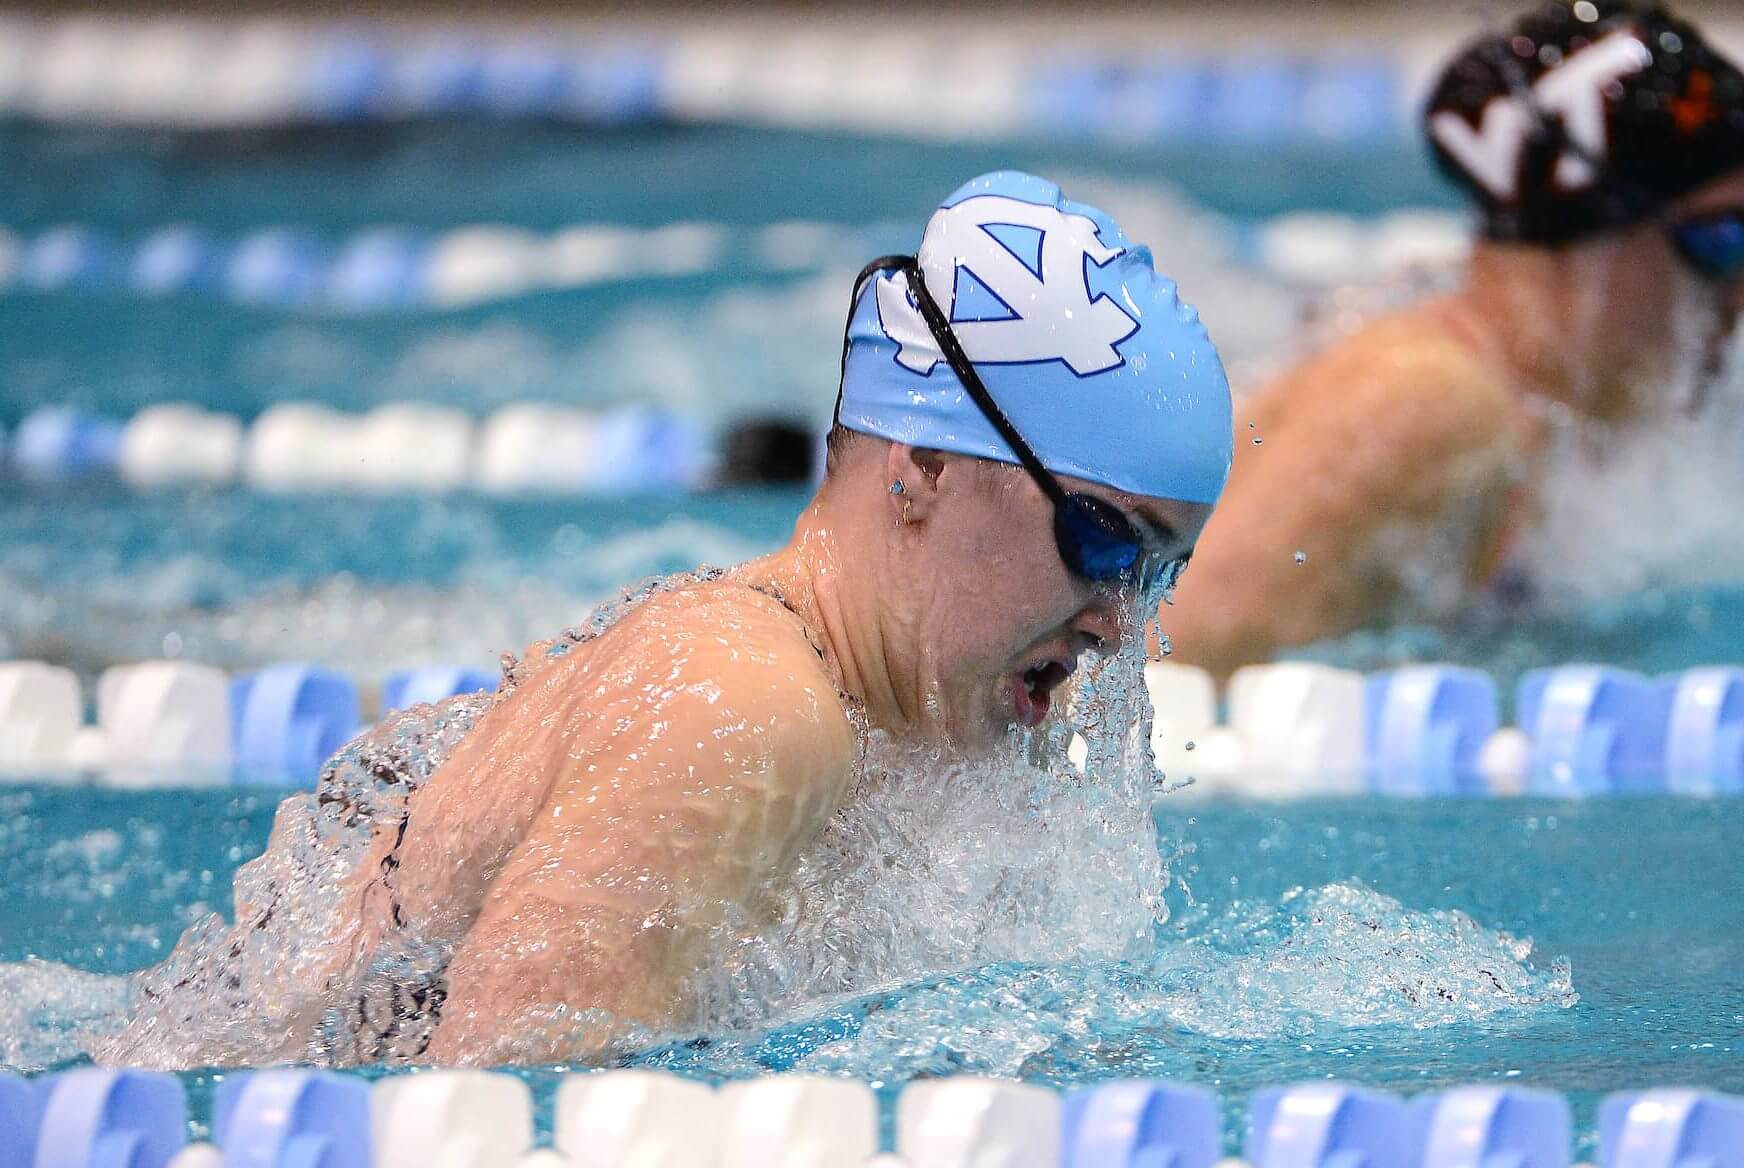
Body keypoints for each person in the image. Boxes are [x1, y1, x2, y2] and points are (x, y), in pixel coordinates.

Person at [100, 171, 1233, 1068]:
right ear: (927, 462)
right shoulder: (745, 709)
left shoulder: (849, 722)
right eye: (1102, 539)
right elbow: (488, 1142)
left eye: (1159, 574)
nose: (1120, 624)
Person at [1161, 2, 1744, 679]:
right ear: (1593, 231)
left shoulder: (1530, 405)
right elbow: (1163, 673)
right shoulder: (1433, 403)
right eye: (1722, 238)